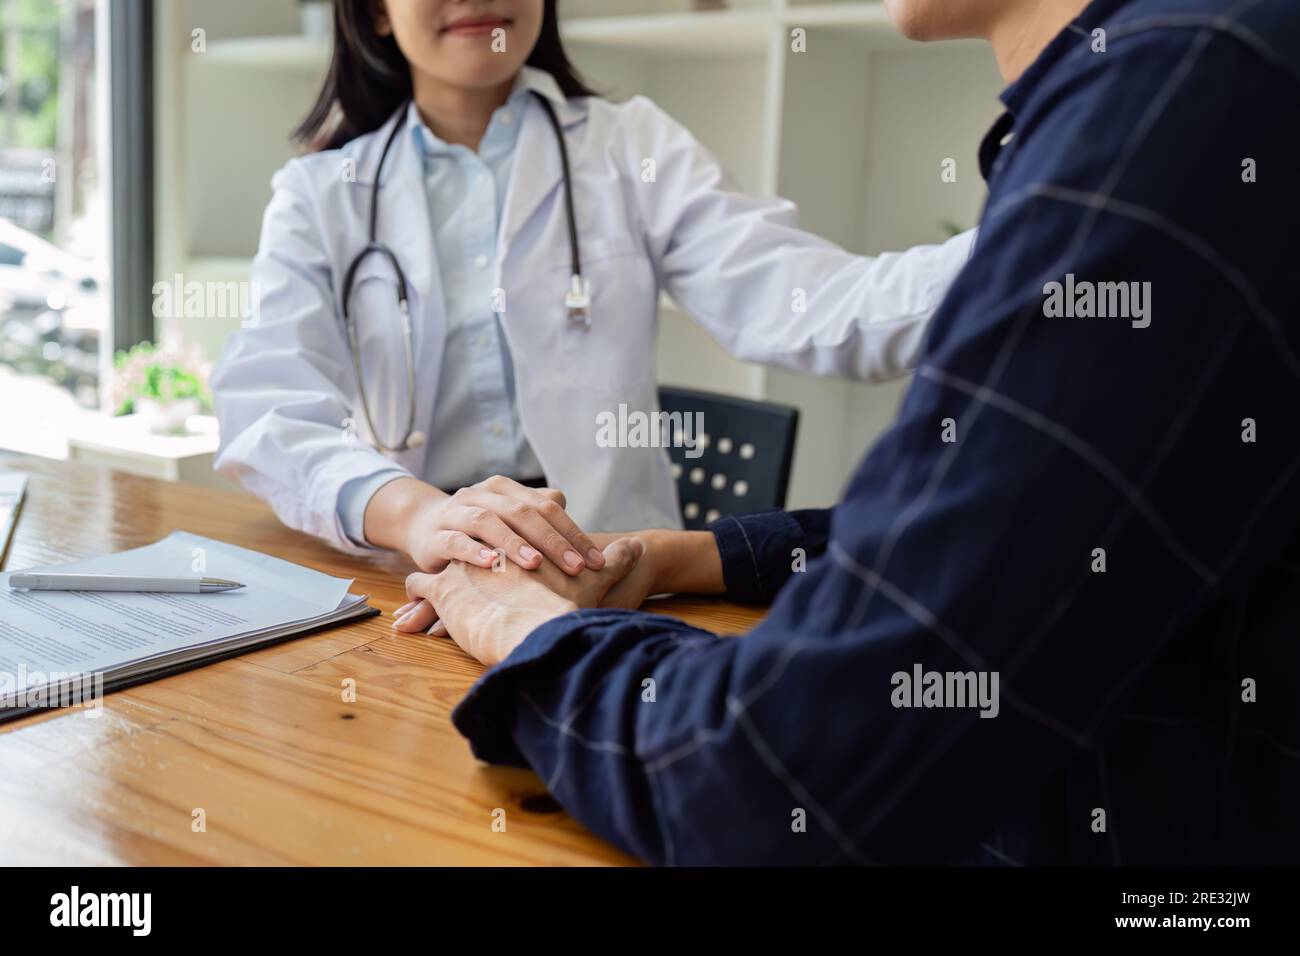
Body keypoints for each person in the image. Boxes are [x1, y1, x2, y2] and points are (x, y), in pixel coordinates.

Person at [399, 0, 1300, 865]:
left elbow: (775, 777)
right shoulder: (1192, 66)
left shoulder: (1170, 94)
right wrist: (684, 557)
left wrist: (536, 639)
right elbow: (1001, 515)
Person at [210, 0, 974, 584]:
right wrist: (416, 515)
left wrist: (1029, 239)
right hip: (410, 582)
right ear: (375, 9)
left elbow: (816, 306)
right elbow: (268, 412)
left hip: (609, 574)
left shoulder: (630, 147)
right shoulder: (321, 194)